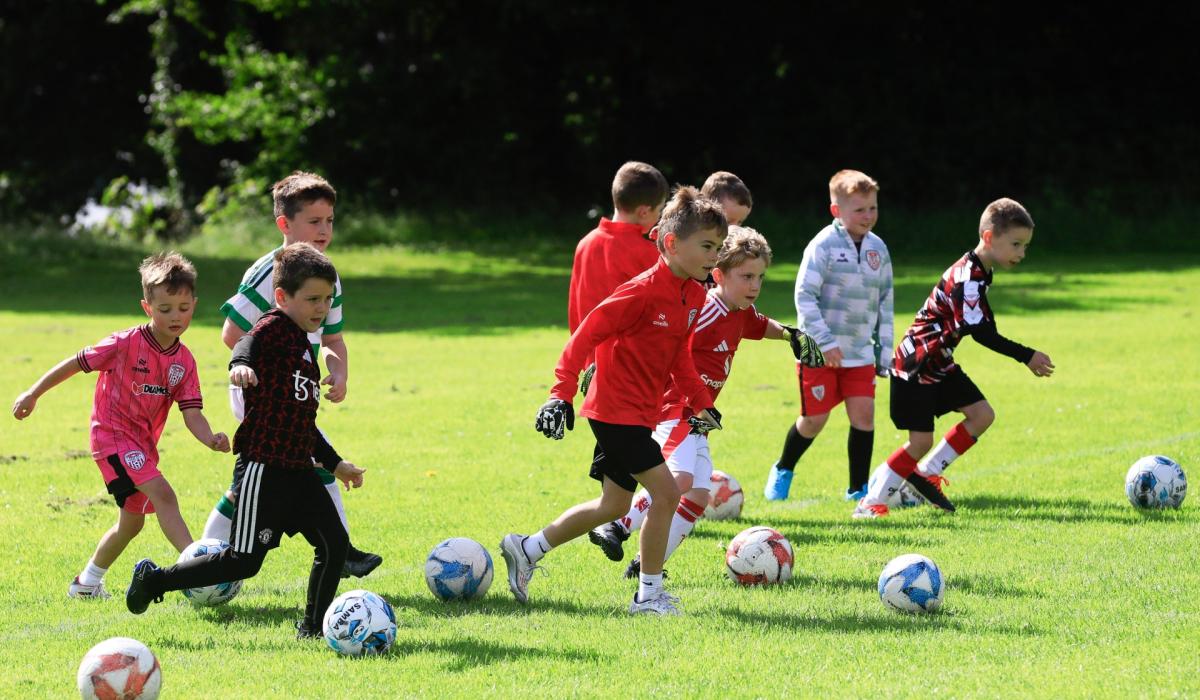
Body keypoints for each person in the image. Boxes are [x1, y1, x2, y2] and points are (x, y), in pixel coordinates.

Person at [501, 186, 726, 616]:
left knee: (614, 505)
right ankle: (649, 596)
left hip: (638, 414)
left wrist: (700, 401)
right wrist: (559, 395)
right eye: (706, 246)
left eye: (717, 246)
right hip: (614, 412)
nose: (714, 256)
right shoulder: (640, 292)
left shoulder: (694, 295)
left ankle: (526, 549)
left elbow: (679, 353)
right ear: (673, 243)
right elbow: (586, 335)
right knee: (666, 494)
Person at [126, 243, 363, 639]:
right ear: (283, 297)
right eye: (312, 300)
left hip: (299, 470)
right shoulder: (272, 328)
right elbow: (244, 344)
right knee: (243, 562)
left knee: (334, 544)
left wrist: (336, 464)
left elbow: (303, 424)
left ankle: (312, 629)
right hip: (264, 467)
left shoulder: (305, 346)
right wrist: (239, 368)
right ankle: (155, 580)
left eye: (326, 300)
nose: (321, 308)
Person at [589, 226, 824, 575]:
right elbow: (663, 343)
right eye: (745, 276)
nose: (755, 285)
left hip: (700, 417)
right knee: (678, 481)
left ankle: (646, 564)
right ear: (718, 275)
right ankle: (617, 524)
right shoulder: (707, 310)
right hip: (675, 408)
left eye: (760, 276)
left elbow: (760, 326)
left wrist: (791, 335)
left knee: (698, 497)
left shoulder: (740, 311)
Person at [11, 252, 230, 599]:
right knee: (164, 495)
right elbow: (75, 363)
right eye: (165, 309)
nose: (176, 317)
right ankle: (197, 571)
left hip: (142, 446)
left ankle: (86, 584)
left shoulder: (185, 361)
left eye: (184, 308)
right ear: (148, 307)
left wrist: (210, 438)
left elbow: (192, 413)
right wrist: (33, 393)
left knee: (132, 523)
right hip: (111, 438)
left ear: (194, 304)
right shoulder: (124, 344)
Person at [201, 171, 379, 578]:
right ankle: (343, 552)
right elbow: (232, 333)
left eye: (330, 220)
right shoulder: (270, 272)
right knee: (314, 461)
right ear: (285, 224)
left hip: (296, 390)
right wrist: (273, 371)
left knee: (263, 481)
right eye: (314, 221)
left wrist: (340, 372)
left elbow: (333, 339)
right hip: (259, 392)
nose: (324, 230)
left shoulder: (326, 272)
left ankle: (201, 556)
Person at [853, 198, 1055, 518]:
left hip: (939, 362)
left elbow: (983, 326)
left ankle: (925, 476)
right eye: (1016, 244)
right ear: (989, 238)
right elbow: (982, 333)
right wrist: (1026, 355)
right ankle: (871, 502)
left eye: (1025, 246)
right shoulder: (968, 278)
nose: (1021, 253)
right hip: (917, 363)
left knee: (981, 415)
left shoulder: (979, 272)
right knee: (919, 441)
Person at [764, 170, 893, 502]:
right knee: (814, 420)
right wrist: (825, 341)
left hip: (860, 354)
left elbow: (886, 302)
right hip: (819, 353)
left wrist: (885, 351)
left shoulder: (879, 249)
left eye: (873, 208)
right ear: (837, 211)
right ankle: (783, 468)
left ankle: (858, 491)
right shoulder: (822, 245)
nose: (868, 216)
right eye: (859, 210)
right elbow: (804, 296)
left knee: (863, 416)